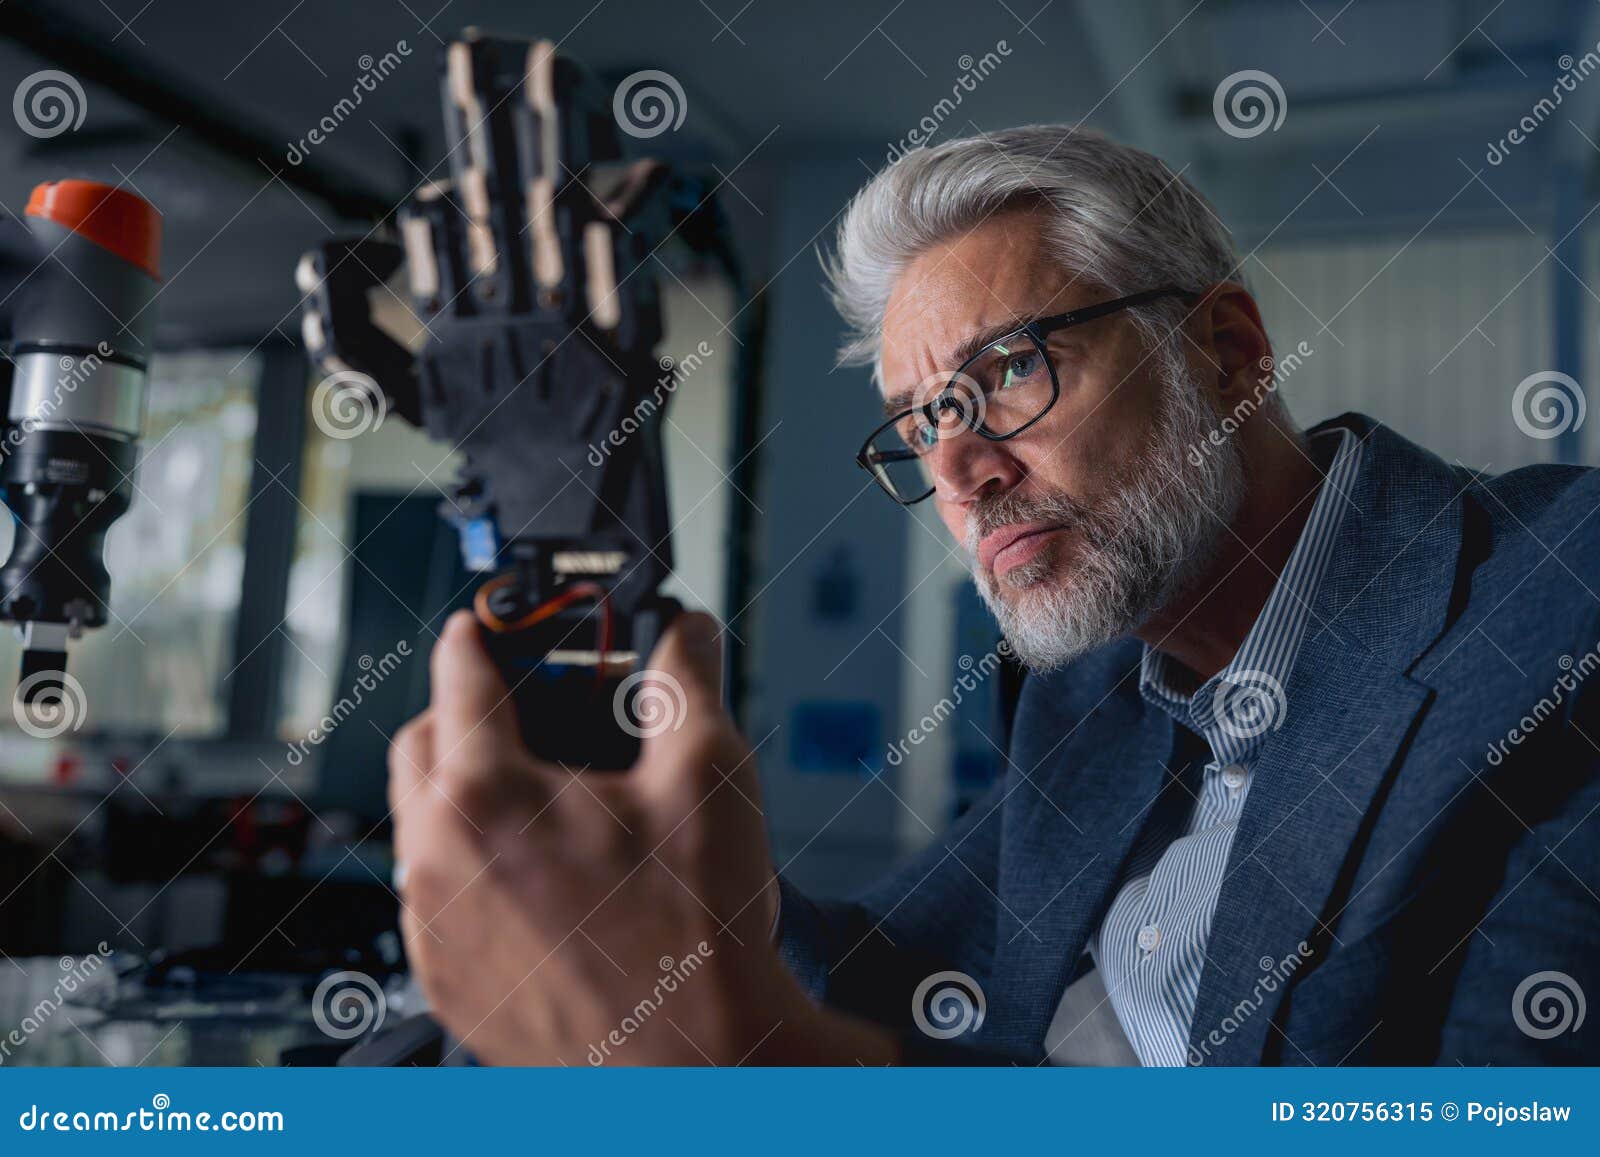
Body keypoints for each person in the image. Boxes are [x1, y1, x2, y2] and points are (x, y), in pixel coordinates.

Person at [386, 126, 1600, 1065]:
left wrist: (712, 1078)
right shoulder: (1092, 695)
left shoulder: (1566, 598)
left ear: (1226, 350)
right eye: (920, 424)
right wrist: (691, 874)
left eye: (1009, 370)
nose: (959, 470)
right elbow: (894, 974)